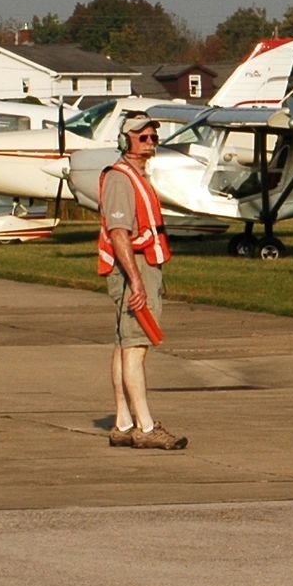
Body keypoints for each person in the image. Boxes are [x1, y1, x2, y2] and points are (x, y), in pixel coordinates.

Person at [99, 111, 184, 450]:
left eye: (152, 137)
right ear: (125, 140)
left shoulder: (135, 175)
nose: (150, 142)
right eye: (142, 137)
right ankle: (146, 427)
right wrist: (136, 281)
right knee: (136, 345)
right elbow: (119, 233)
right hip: (135, 266)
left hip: (139, 265)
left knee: (125, 343)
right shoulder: (121, 178)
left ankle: (123, 421)